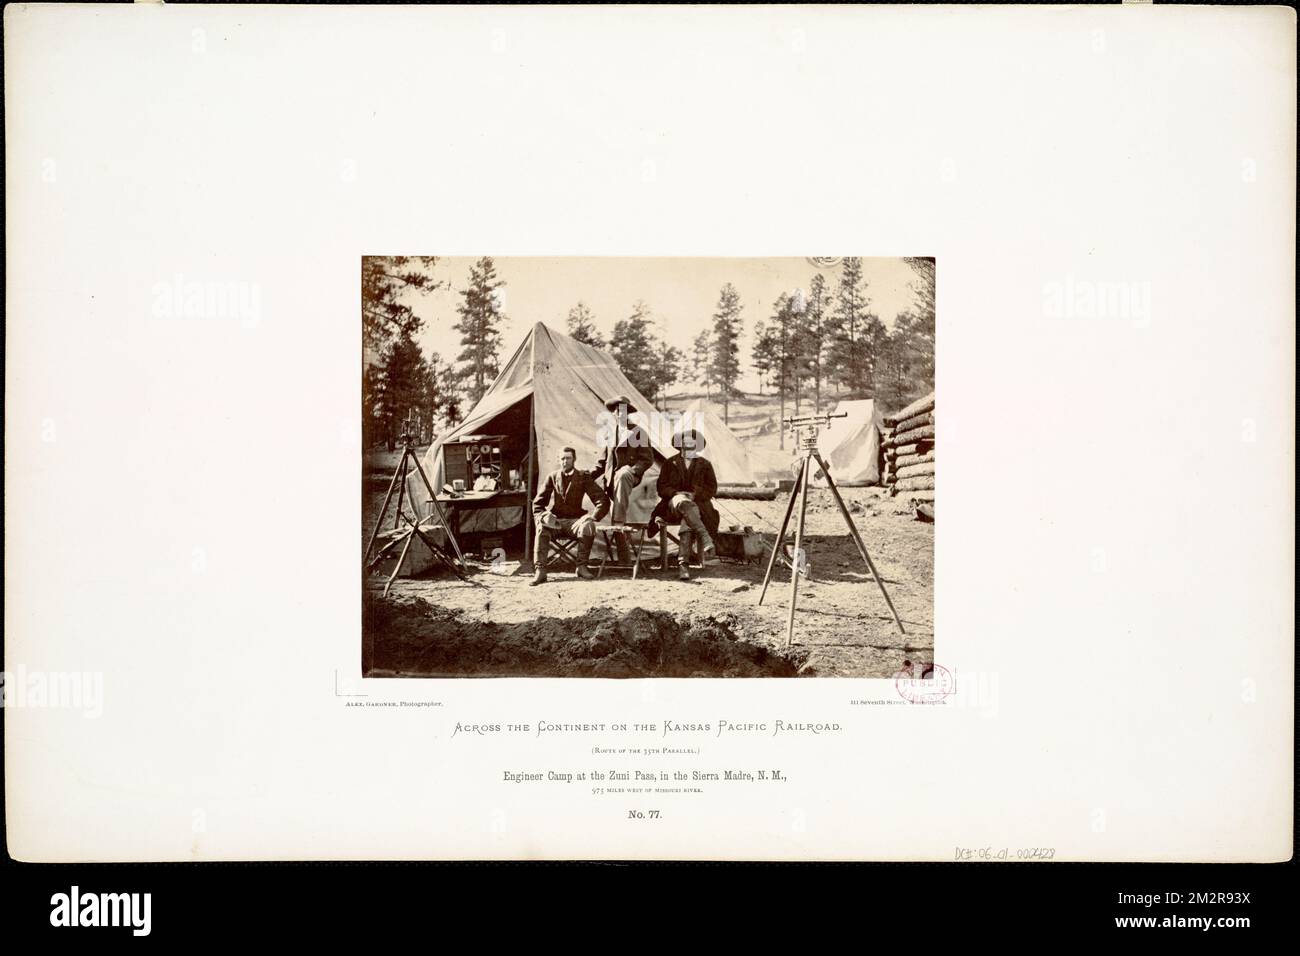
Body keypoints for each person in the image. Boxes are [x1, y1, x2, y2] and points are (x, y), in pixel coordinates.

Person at [530, 446, 609, 585]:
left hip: (575, 523)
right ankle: (540, 571)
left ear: (574, 460)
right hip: (556, 523)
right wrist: (543, 516)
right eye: (562, 458)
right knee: (541, 526)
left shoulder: (583, 477)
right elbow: (537, 504)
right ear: (558, 460)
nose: (565, 461)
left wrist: (593, 516)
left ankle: (581, 567)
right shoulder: (552, 477)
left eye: (568, 458)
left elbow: (602, 499)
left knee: (588, 526)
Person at [591, 394, 655, 561]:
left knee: (623, 473)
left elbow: (647, 459)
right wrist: (587, 475)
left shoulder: (638, 432)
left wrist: (633, 469)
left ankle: (618, 523)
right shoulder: (609, 433)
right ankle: (624, 557)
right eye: (618, 411)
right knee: (613, 505)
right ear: (613, 414)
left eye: (624, 411)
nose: (621, 414)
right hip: (611, 481)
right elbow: (602, 461)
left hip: (629, 477)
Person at [653, 428, 719, 581]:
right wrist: (675, 493)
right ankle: (705, 537)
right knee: (682, 501)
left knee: (687, 519)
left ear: (697, 447)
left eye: (692, 446)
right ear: (680, 446)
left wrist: (695, 494)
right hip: (672, 506)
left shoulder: (705, 464)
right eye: (685, 446)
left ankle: (683, 565)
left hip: (698, 506)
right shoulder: (670, 463)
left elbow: (712, 489)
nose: (688, 449)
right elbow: (661, 487)